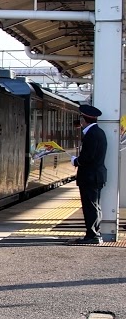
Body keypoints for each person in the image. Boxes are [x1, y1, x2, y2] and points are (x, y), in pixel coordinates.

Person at [72, 103, 107, 244]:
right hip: (96, 176)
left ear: (83, 120)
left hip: (90, 176)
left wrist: (76, 161)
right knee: (95, 206)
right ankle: (94, 234)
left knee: (90, 207)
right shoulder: (99, 132)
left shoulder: (91, 135)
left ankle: (92, 236)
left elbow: (88, 158)